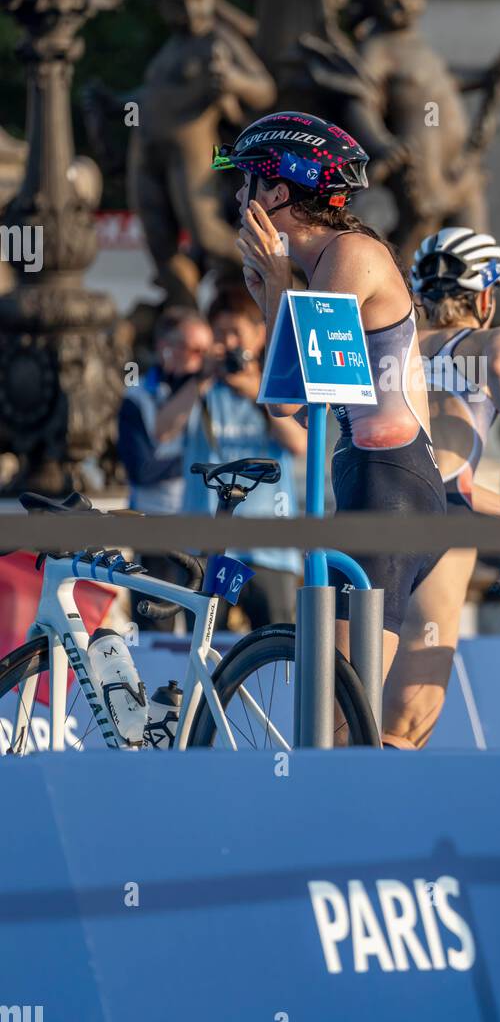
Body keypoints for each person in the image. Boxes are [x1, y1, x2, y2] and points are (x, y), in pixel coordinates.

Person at [215, 112, 447, 743]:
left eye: (246, 183)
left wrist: (280, 282)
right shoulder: (322, 265)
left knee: (337, 720)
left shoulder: (349, 254)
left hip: (389, 484)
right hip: (376, 483)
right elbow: (285, 403)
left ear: (279, 192)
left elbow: (308, 378)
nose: (238, 198)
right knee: (351, 721)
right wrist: (271, 289)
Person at [380, 227, 500, 747]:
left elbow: (449, 471)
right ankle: (380, 820)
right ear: (486, 296)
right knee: (410, 718)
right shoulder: (494, 338)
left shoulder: (394, 342)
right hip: (440, 511)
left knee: (349, 702)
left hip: (372, 504)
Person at [179, 288, 308, 625]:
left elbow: (300, 444)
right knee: (203, 652)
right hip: (210, 550)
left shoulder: (277, 391)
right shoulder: (200, 388)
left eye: (235, 332)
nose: (229, 342)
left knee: (276, 653)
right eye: (219, 334)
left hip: (271, 551)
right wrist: (201, 378)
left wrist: (256, 391)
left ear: (260, 334)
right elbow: (162, 431)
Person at [117, 307, 213, 630]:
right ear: (165, 348)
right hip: (155, 528)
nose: (202, 360)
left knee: (206, 626)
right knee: (153, 628)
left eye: (207, 352)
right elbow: (141, 470)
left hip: (201, 525)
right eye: (194, 350)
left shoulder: (213, 393)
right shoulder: (138, 398)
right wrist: (198, 463)